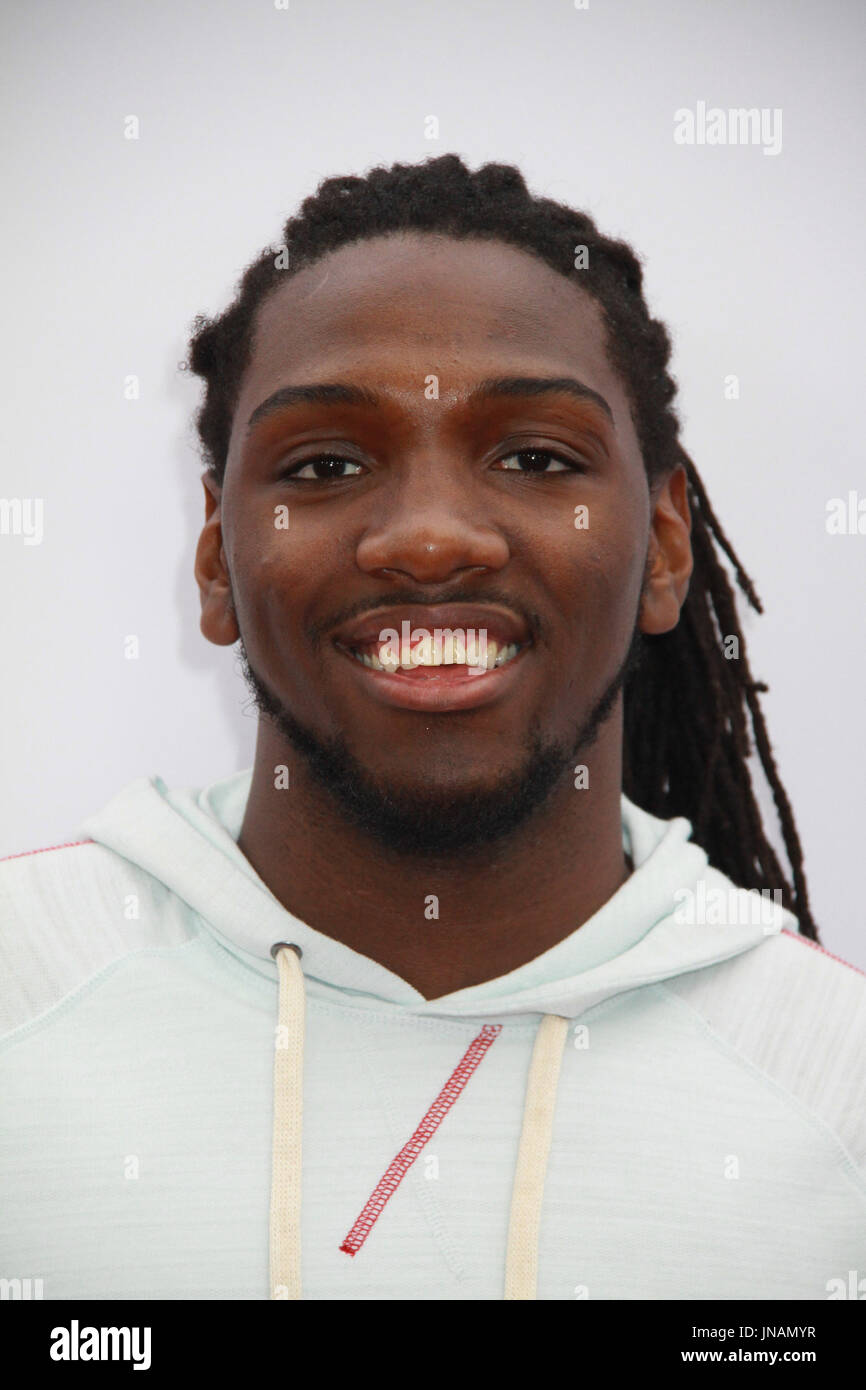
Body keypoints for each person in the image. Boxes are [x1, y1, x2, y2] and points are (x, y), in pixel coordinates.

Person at [2, 155, 863, 1302]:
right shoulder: (26, 986)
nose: (429, 539)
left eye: (533, 458)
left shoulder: (834, 1084)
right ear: (216, 559)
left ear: (662, 550)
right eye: (325, 464)